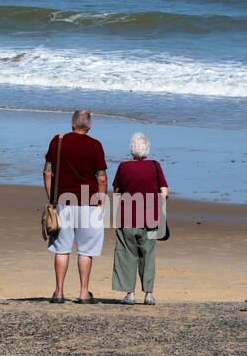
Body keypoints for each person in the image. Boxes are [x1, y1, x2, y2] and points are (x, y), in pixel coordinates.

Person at [43, 109, 107, 304]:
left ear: (72, 124)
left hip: (63, 201)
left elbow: (47, 173)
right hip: (89, 202)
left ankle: (59, 292)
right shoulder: (95, 145)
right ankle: (83, 293)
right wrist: (102, 201)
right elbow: (102, 177)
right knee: (86, 250)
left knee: (62, 249)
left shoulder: (58, 141)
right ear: (90, 126)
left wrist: (52, 198)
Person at [111, 132, 169, 305]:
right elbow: (164, 192)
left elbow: (116, 191)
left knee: (126, 255)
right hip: (150, 219)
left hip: (127, 218)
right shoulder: (155, 165)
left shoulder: (123, 167)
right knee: (148, 255)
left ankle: (130, 293)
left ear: (131, 149)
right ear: (147, 149)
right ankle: (149, 293)